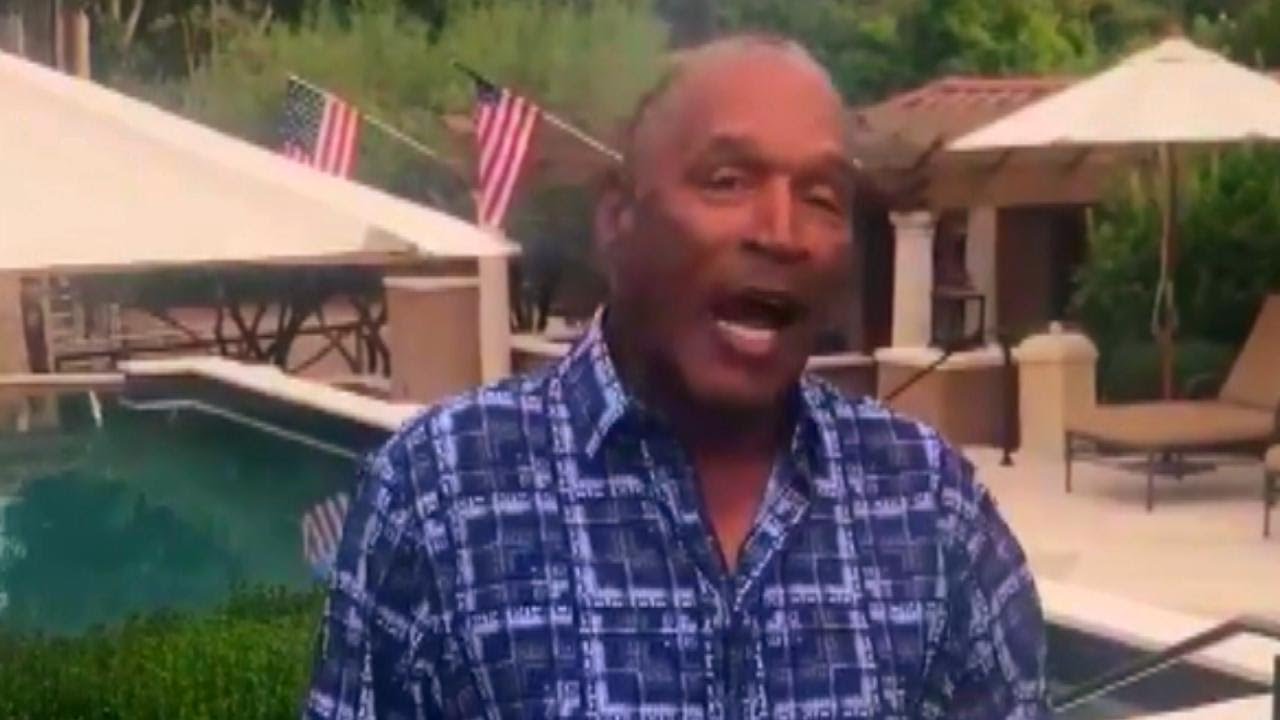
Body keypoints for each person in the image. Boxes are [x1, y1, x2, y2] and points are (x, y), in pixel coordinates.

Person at [305, 34, 1049, 719]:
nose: (780, 232)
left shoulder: (928, 503)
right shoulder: (439, 492)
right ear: (617, 220)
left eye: (821, 198)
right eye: (728, 181)